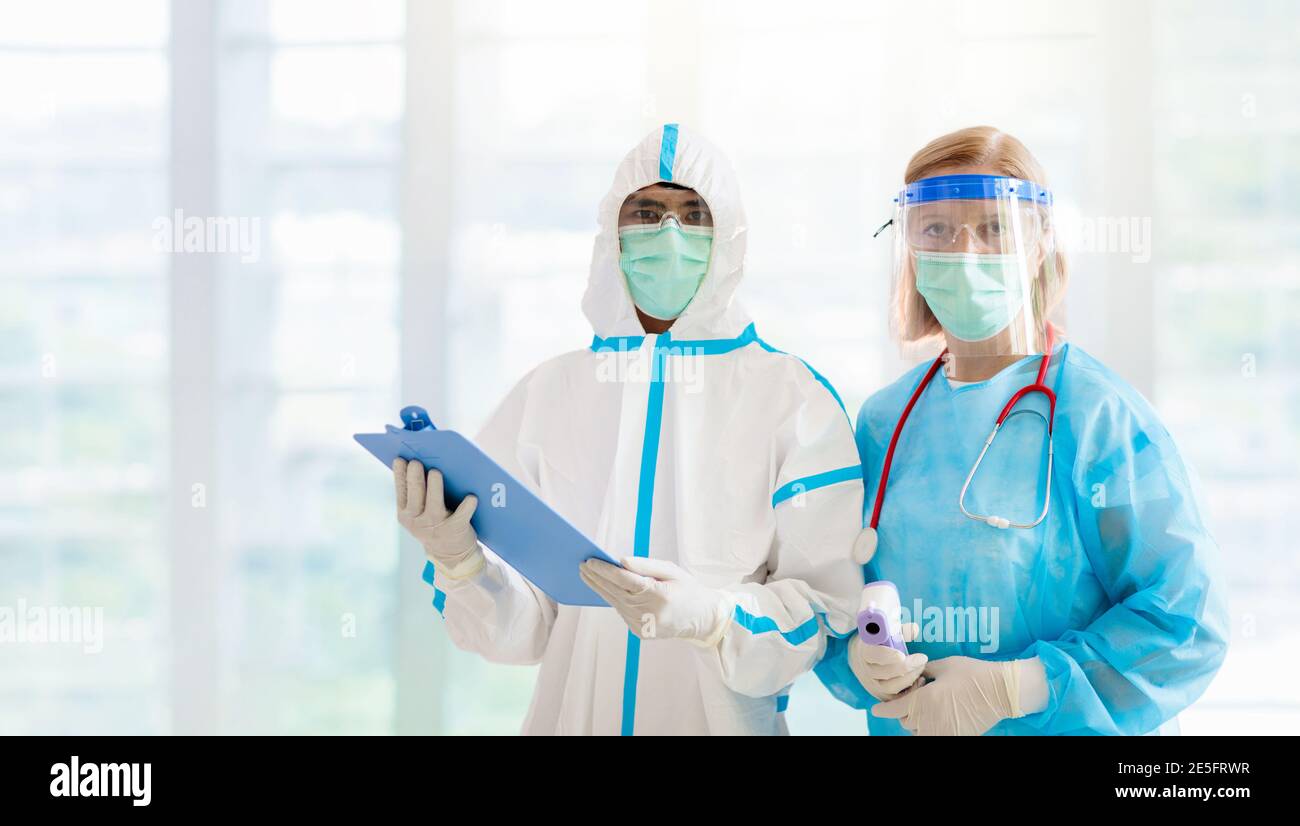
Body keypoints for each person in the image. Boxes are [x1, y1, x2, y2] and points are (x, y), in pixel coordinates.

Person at [395, 124, 865, 735]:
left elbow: (825, 609)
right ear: (612, 235)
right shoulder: (549, 394)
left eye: (692, 213)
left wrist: (718, 619)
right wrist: (461, 562)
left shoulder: (790, 399)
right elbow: (521, 630)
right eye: (647, 211)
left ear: (727, 234)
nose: (669, 233)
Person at [816, 126, 1229, 735]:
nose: (965, 251)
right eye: (936, 229)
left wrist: (1016, 688)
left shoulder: (1097, 416)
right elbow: (839, 595)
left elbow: (1185, 624)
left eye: (994, 228)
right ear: (909, 247)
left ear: (1038, 243)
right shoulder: (883, 422)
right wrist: (856, 658)